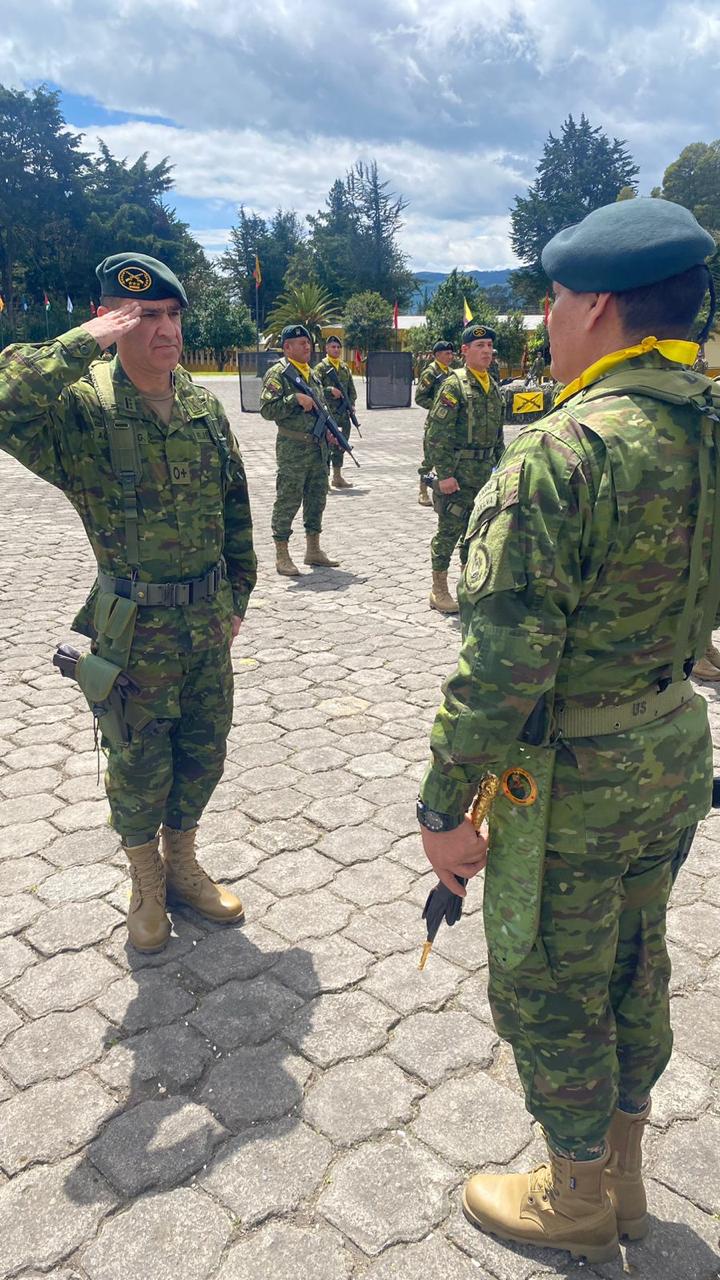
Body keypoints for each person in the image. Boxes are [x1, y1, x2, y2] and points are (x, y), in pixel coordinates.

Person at [416, 198, 719, 1263]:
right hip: (674, 748)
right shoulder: (708, 424)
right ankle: (627, 1175)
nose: (541, 315)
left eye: (549, 295)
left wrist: (441, 807)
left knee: (550, 975)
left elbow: (500, 670)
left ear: (596, 306)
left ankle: (579, 1191)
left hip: (579, 777)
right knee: (637, 956)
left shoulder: (563, 453)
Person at [0, 252, 257, 954]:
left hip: (207, 623)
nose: (166, 330)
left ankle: (184, 865)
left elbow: (235, 503)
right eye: (146, 317)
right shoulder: (84, 414)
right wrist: (84, 345)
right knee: (139, 762)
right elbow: (4, 398)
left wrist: (239, 593)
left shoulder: (203, 403)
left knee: (204, 754)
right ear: (112, 321)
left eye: (173, 315)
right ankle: (145, 883)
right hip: (134, 629)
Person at [425, 325, 504, 612]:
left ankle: (468, 584)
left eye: (489, 345)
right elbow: (437, 433)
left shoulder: (493, 386)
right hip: (458, 475)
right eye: (480, 345)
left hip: (484, 474)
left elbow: (498, 437)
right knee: (449, 530)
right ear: (465, 351)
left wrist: (501, 470)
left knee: (478, 532)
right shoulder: (453, 385)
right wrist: (444, 475)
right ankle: (438, 589)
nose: (486, 351)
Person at [260, 324, 339, 576]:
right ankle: (282, 554)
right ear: (287, 347)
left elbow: (321, 409)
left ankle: (313, 550)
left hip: (318, 449)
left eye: (308, 343)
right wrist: (293, 399)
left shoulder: (312, 375)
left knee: (317, 499)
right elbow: (266, 410)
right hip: (293, 448)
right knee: (288, 499)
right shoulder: (278, 374)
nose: (308, 347)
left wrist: (328, 430)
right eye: (302, 343)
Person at [315, 334, 359, 490]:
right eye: (333, 347)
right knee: (326, 445)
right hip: (328, 414)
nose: (336, 349)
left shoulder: (344, 367)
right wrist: (329, 390)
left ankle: (337, 476)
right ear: (326, 348)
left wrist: (351, 404)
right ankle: (324, 479)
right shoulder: (321, 368)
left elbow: (351, 390)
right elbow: (315, 389)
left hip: (343, 414)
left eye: (338, 347)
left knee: (341, 444)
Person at [414, 341, 454, 507]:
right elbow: (420, 397)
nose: (450, 357)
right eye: (447, 353)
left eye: (451, 354)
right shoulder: (431, 372)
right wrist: (438, 405)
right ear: (437, 355)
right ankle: (423, 490)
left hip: (452, 423)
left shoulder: (452, 373)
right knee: (430, 458)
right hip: (436, 424)